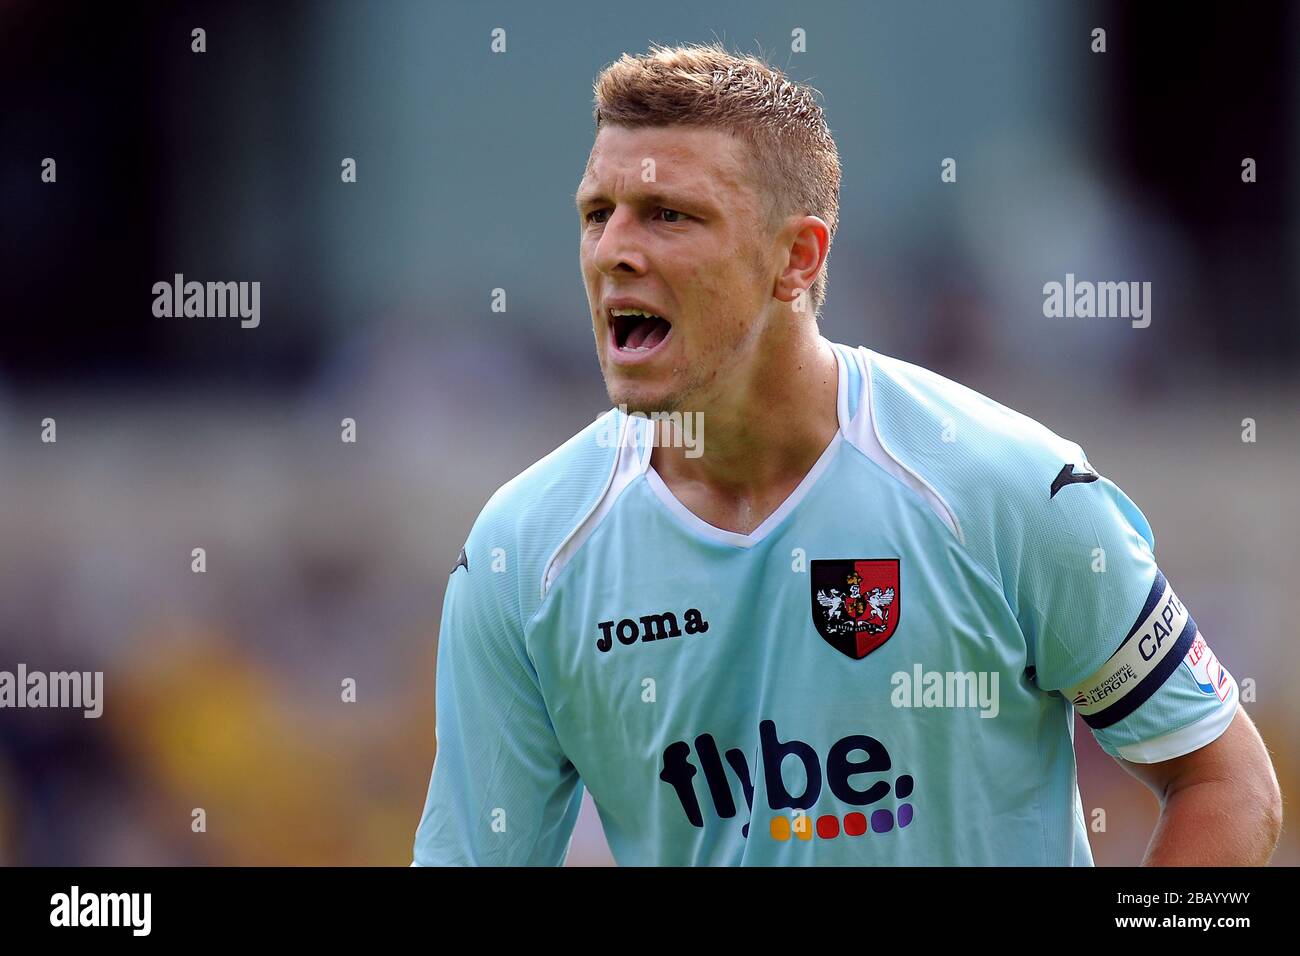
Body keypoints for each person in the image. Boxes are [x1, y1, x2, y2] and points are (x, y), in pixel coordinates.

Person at [412, 43, 1281, 865]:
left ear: (797, 257)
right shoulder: (523, 551)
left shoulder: (1004, 488)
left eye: (669, 216)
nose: (614, 252)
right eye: (598, 215)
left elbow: (1227, 783)